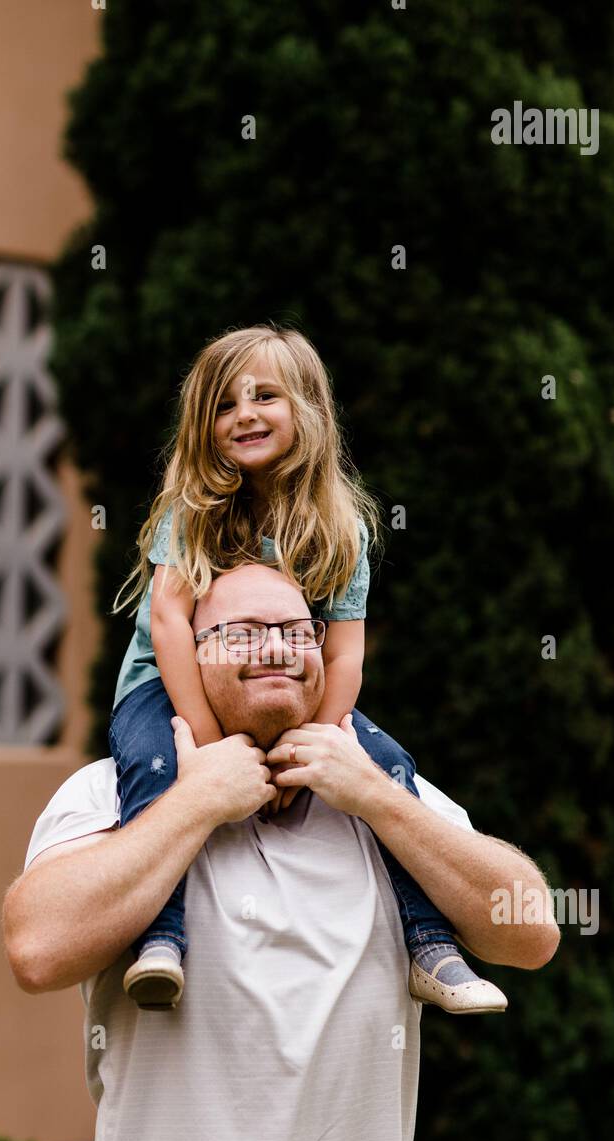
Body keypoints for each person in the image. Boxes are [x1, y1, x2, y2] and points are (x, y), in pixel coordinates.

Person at [2, 563, 559, 1141]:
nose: (278, 648)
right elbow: (37, 949)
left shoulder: (377, 791)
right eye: (243, 633)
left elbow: (531, 932)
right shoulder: (111, 793)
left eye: (298, 631)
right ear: (188, 656)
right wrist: (195, 803)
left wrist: (375, 798)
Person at [108, 322, 506, 1015]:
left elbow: (343, 652)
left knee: (385, 765)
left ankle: (430, 944)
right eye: (225, 405)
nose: (245, 415)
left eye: (265, 396)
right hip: (167, 683)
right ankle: (160, 937)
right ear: (204, 425)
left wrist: (317, 745)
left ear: (308, 411)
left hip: (292, 692)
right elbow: (171, 622)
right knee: (156, 766)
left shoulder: (338, 523)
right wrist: (206, 738)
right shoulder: (193, 507)